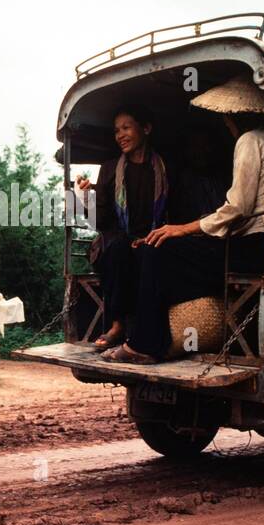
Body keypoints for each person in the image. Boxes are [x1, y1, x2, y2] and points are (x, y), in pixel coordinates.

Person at [102, 75, 264, 363]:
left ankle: (144, 344)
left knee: (156, 251)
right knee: (165, 254)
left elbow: (238, 206)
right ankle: (154, 335)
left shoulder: (249, 140)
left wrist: (183, 229)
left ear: (232, 116)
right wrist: (197, 231)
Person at [74, 105, 168, 349]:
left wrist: (151, 236)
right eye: (117, 130)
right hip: (120, 240)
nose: (120, 135)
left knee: (153, 252)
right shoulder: (109, 169)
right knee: (117, 249)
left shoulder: (165, 168)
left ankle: (149, 336)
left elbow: (175, 211)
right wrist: (86, 200)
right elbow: (101, 222)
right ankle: (117, 325)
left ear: (145, 128)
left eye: (126, 127)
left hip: (158, 236)